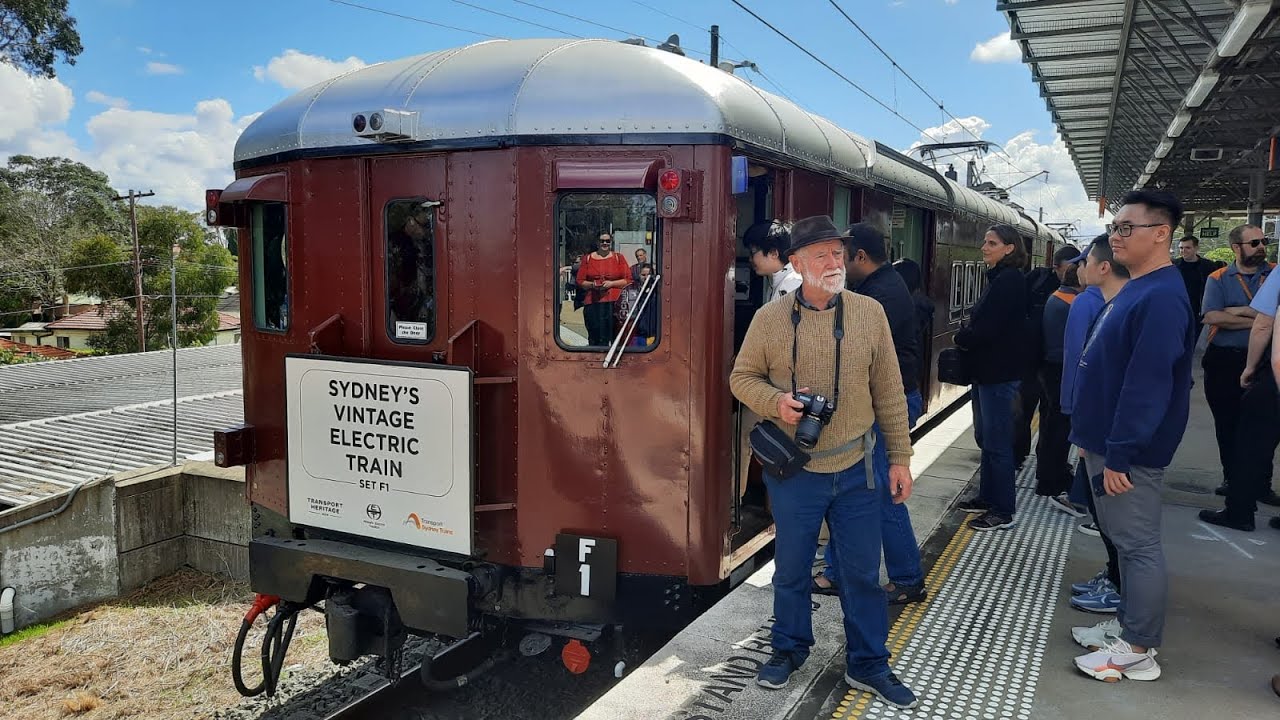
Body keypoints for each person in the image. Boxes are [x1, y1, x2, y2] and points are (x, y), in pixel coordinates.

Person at [730, 215, 917, 708]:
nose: (834, 263)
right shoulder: (769, 320)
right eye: (821, 255)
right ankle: (788, 649)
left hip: (857, 468)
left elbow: (890, 393)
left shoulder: (869, 312)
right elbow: (741, 378)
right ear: (796, 263)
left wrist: (899, 457)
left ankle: (870, 663)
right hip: (795, 473)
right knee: (791, 570)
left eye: (838, 253)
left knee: (862, 574)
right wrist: (778, 403)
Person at [1069, 190, 1195, 683]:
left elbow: (1148, 385)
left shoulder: (1162, 296)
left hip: (1127, 453)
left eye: (1126, 228)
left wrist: (1120, 453)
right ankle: (1127, 628)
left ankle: (1138, 649)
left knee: (1138, 546)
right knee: (1122, 542)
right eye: (1113, 228)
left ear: (1160, 233)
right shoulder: (1141, 288)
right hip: (1106, 442)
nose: (1114, 236)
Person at [812, 223, 926, 606]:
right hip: (875, 405)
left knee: (878, 493)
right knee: (850, 489)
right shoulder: (881, 288)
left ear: (860, 257)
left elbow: (859, 359)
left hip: (884, 406)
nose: (837, 263)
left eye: (841, 255)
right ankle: (837, 571)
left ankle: (908, 577)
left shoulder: (880, 299)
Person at [1065, 237, 1129, 617]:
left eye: (1085, 261)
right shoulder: (1108, 304)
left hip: (1111, 436)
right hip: (1100, 429)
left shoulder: (1109, 305)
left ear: (1103, 267)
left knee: (1118, 525)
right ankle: (1114, 577)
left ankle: (1123, 595)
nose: (1078, 268)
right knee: (1106, 518)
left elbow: (1081, 363)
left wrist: (1074, 413)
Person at [955, 224, 1032, 531]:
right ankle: (987, 497)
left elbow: (989, 328)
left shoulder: (1009, 281)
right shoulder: (1001, 279)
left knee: (997, 443)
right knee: (987, 439)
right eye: (985, 242)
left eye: (992, 243)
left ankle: (1002, 510)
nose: (984, 248)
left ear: (1009, 248)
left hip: (998, 375)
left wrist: (963, 338)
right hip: (988, 374)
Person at [1200, 248, 1280, 531]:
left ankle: (1240, 512)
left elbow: (1263, 325)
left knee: (1251, 443)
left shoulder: (1277, 273)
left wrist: (1250, 367)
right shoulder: (1220, 276)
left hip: (1274, 375)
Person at [1036, 245, 1084, 507]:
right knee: (1059, 428)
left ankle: (1047, 473)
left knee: (1049, 424)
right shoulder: (1074, 304)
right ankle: (1052, 479)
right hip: (1060, 370)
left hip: (1048, 368)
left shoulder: (1056, 297)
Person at [575, 232, 631, 346]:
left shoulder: (618, 258)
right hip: (593, 303)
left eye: (607, 241)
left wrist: (611, 283)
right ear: (597, 243)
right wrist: (592, 285)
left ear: (611, 243)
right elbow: (580, 281)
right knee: (595, 336)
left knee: (615, 335)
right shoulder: (588, 258)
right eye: (602, 241)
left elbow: (628, 280)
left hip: (614, 303)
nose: (604, 243)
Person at [744, 220, 803, 301]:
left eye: (752, 252)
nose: (750, 259)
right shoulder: (777, 282)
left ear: (773, 253)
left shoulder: (792, 283)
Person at [1174, 235, 1218, 336]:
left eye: (1187, 248)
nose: (1183, 251)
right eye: (1181, 248)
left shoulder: (1209, 266)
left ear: (1196, 248)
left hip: (1199, 310)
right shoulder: (1173, 266)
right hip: (1178, 308)